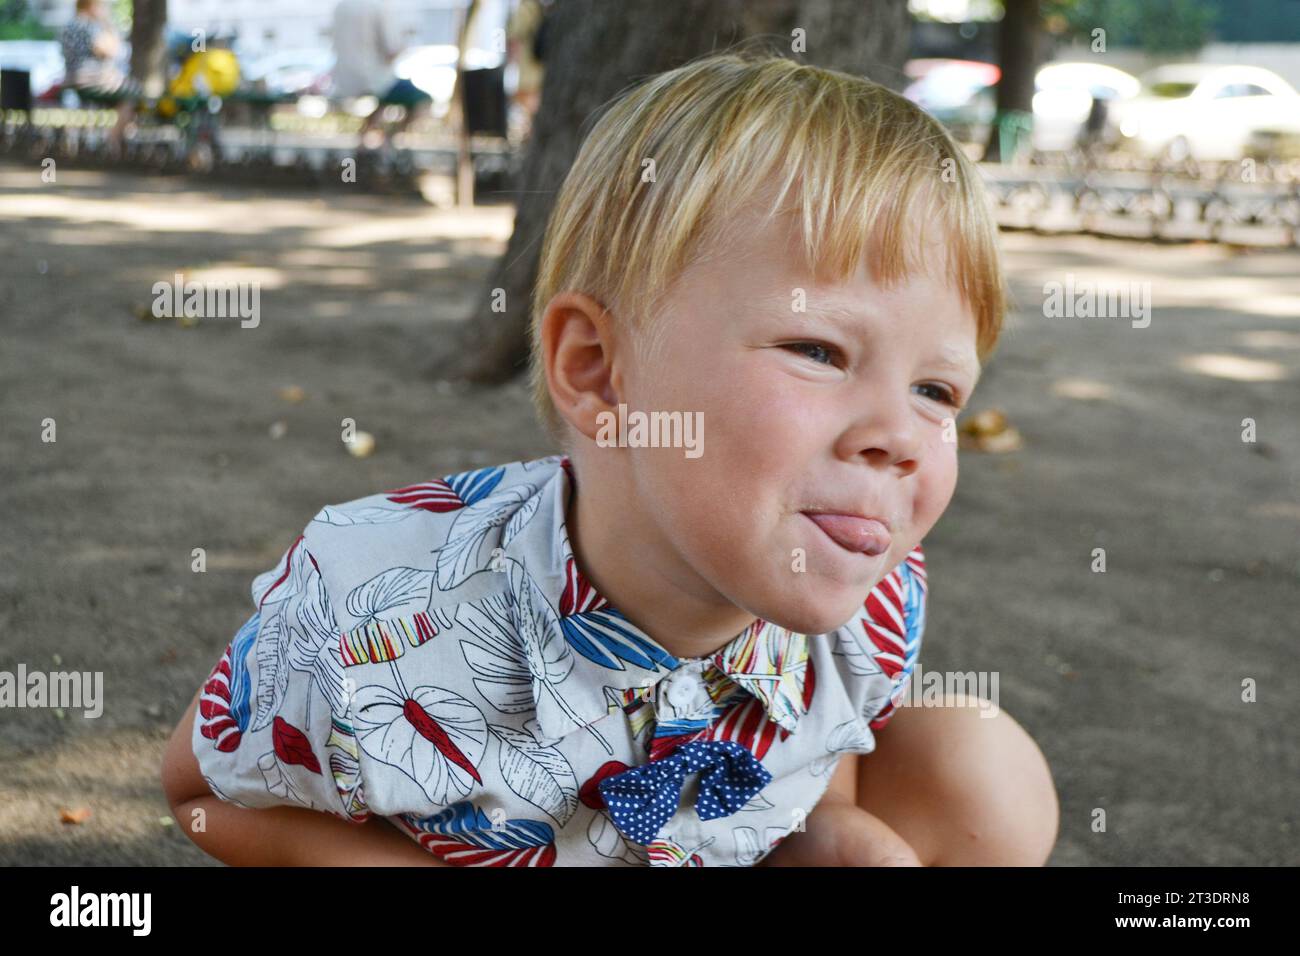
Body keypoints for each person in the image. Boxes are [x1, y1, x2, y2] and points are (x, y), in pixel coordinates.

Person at [161, 46, 1059, 867]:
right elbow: (201, 794)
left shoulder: (867, 592)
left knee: (985, 777)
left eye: (937, 393)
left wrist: (832, 829)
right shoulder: (377, 615)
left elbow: (822, 738)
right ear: (598, 372)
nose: (898, 437)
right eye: (819, 351)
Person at [328, 0, 430, 150]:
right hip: (375, 80)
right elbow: (391, 50)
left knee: (383, 99)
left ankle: (363, 141)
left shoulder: (341, 6)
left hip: (343, 80)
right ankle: (390, 143)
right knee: (423, 100)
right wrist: (406, 42)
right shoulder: (379, 6)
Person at [60, 0, 140, 151]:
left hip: (71, 80)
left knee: (126, 95)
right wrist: (107, 24)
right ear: (92, 5)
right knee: (133, 93)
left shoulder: (68, 26)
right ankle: (112, 141)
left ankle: (114, 137)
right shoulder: (89, 25)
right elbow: (111, 51)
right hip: (93, 80)